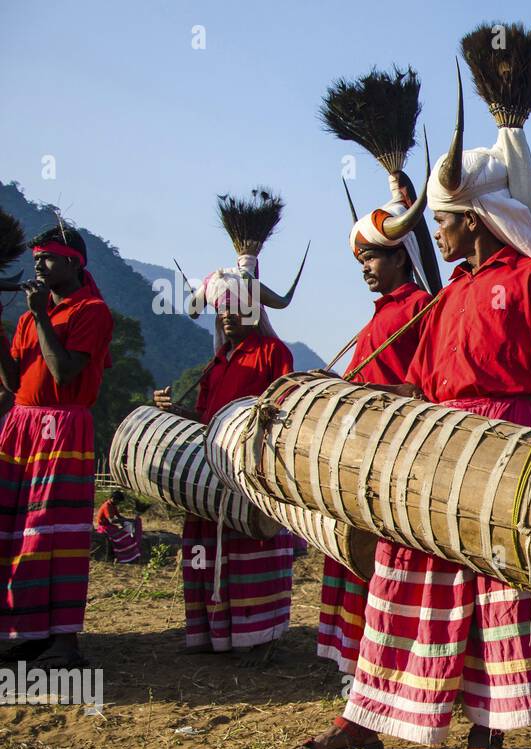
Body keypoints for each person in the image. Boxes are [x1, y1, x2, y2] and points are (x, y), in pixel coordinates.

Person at [289, 24, 531, 749]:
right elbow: (418, 382)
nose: (440, 229)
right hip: (438, 449)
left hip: (508, 449)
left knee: (496, 592)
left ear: (480, 216)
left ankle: (489, 727)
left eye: (447, 217)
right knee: (400, 582)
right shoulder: (446, 295)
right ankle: (367, 716)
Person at [155, 191, 296, 660]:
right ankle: (211, 635)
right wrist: (169, 413)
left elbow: (284, 410)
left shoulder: (275, 355)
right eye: (221, 309)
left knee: (247, 548)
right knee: (205, 551)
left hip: (250, 472)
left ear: (254, 310)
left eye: (236, 308)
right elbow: (201, 416)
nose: (227, 316)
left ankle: (255, 637)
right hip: (210, 472)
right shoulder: (216, 361)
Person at [317, 228, 434, 676]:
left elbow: (421, 387)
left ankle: (387, 662)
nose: (365, 268)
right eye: (360, 261)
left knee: (387, 556)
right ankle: (358, 661)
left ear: (402, 258)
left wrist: (364, 392)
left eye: (372, 258)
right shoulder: (377, 318)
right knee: (356, 551)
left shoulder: (418, 308)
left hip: (393, 453)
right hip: (361, 453)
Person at [0, 224, 113, 668]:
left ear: (72, 262)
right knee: (14, 533)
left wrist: (42, 316)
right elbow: (13, 382)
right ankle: (29, 632)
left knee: (52, 534)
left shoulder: (93, 312)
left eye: (46, 259)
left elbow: (65, 373)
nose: (38, 267)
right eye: (35, 260)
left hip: (61, 430)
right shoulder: (30, 317)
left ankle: (65, 642)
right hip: (20, 426)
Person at [95, 489, 142, 564]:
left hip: (109, 526)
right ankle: (121, 556)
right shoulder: (107, 506)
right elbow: (112, 520)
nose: (118, 503)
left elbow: (119, 516)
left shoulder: (113, 505)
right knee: (122, 538)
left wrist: (129, 520)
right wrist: (124, 521)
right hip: (104, 527)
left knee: (124, 535)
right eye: (118, 501)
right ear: (114, 499)